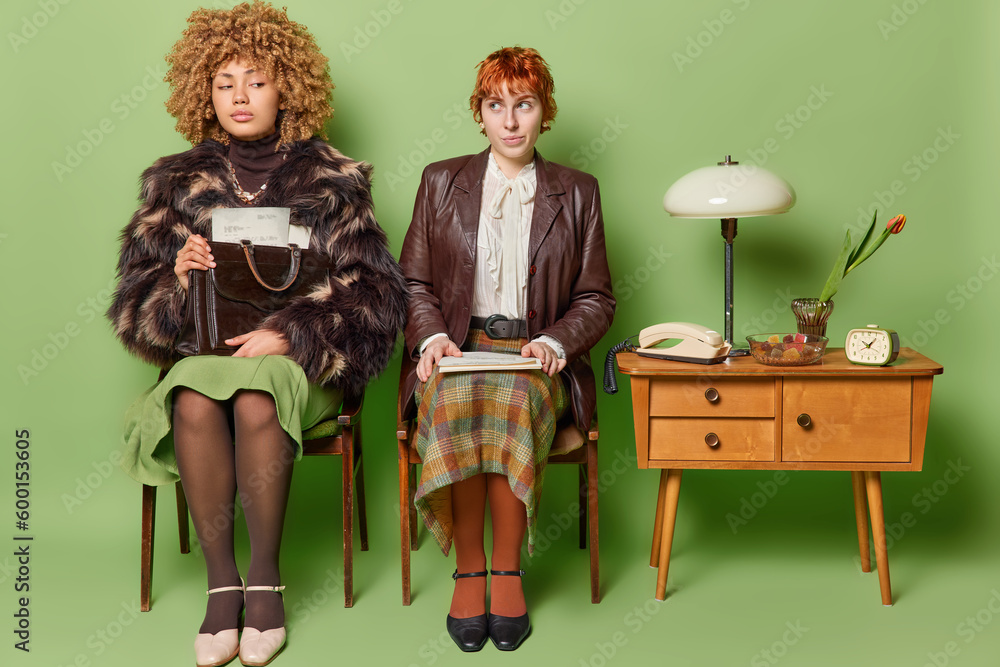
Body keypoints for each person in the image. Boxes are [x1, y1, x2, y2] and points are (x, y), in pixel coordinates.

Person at [106, 3, 407, 666]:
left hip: (297, 369)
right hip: (206, 357)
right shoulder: (174, 183)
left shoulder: (335, 182)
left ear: (287, 89)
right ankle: (223, 586)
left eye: (257, 80)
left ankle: (264, 580)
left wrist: (295, 336)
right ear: (205, 94)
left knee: (256, 395)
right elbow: (132, 313)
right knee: (191, 395)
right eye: (225, 83)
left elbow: (379, 299)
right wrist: (176, 280)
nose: (240, 96)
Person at [398, 46, 615, 652]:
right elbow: (413, 283)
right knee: (455, 398)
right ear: (480, 114)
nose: (511, 121)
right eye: (496, 106)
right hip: (458, 348)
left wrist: (553, 341)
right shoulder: (440, 182)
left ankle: (508, 570)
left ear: (546, 112)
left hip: (535, 358)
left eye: (525, 105)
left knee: (512, 398)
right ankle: (470, 569)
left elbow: (596, 298)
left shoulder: (579, 192)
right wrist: (433, 338)